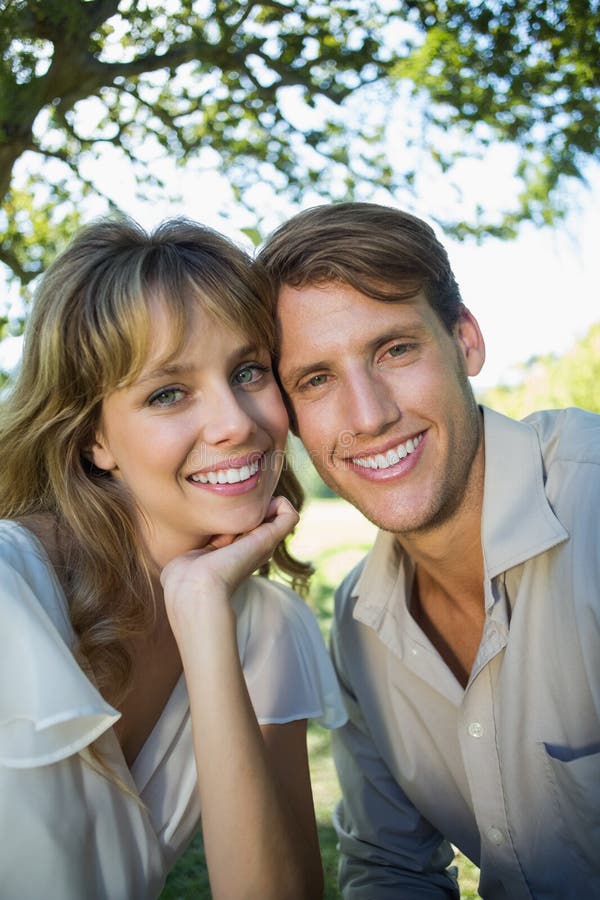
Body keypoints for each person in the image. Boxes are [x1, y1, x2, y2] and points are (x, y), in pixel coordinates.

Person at [257, 201, 600, 900]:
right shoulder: (357, 619)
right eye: (316, 379)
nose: (370, 415)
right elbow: (392, 869)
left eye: (394, 349)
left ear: (466, 341)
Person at [0, 216, 347, 900]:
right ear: (94, 438)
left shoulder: (268, 625)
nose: (236, 422)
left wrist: (199, 610)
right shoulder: (10, 597)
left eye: (248, 371)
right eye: (168, 393)